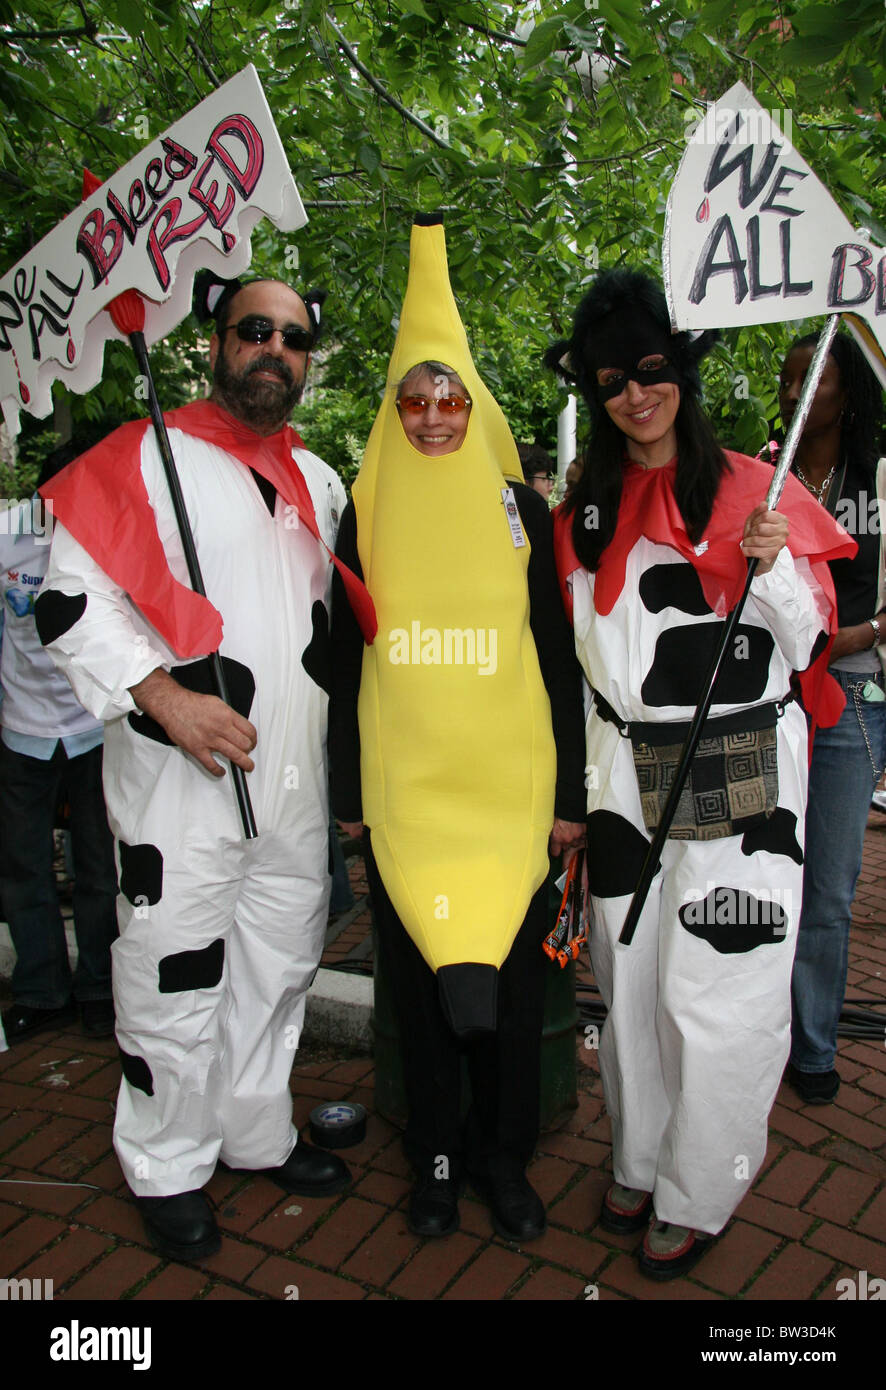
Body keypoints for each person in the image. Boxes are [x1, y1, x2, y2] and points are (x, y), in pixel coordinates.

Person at [37, 274, 374, 1262]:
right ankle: (167, 1161)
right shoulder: (139, 456)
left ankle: (252, 1132)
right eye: (255, 330)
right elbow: (68, 601)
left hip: (294, 787)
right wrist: (166, 697)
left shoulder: (319, 481)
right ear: (216, 342)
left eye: (295, 337)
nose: (275, 348)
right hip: (178, 789)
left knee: (278, 967)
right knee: (173, 976)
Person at [546, 268, 853, 1280]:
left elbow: (808, 642)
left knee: (720, 979)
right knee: (627, 973)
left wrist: (772, 574)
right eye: (610, 380)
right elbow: (580, 660)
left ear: (678, 369)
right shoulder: (582, 509)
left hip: (737, 764)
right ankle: (641, 1153)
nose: (635, 394)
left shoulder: (755, 496)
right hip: (621, 771)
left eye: (649, 370)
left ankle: (699, 1183)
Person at [331, 217, 585, 1243]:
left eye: (450, 400)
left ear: (472, 405)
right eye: (414, 400)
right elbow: (347, 658)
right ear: (393, 410)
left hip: (505, 801)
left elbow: (555, 654)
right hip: (410, 802)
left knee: (512, 1005)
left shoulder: (522, 510)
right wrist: (351, 795)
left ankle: (501, 1159)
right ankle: (434, 1160)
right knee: (425, 995)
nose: (433, 417)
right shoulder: (365, 511)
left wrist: (568, 800)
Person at [778, 330, 886, 1105]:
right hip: (775, 693)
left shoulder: (879, 474)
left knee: (829, 886)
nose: (798, 387)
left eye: (814, 377)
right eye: (789, 375)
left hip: (851, 693)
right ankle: (761, 1027)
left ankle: (813, 1044)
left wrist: (868, 634)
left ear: (848, 391)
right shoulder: (764, 466)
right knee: (762, 869)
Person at [0, 443, 117, 1044]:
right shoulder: (9, 536)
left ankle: (100, 987)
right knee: (23, 866)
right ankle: (42, 990)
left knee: (100, 866)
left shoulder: (108, 537)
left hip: (93, 730)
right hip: (22, 732)